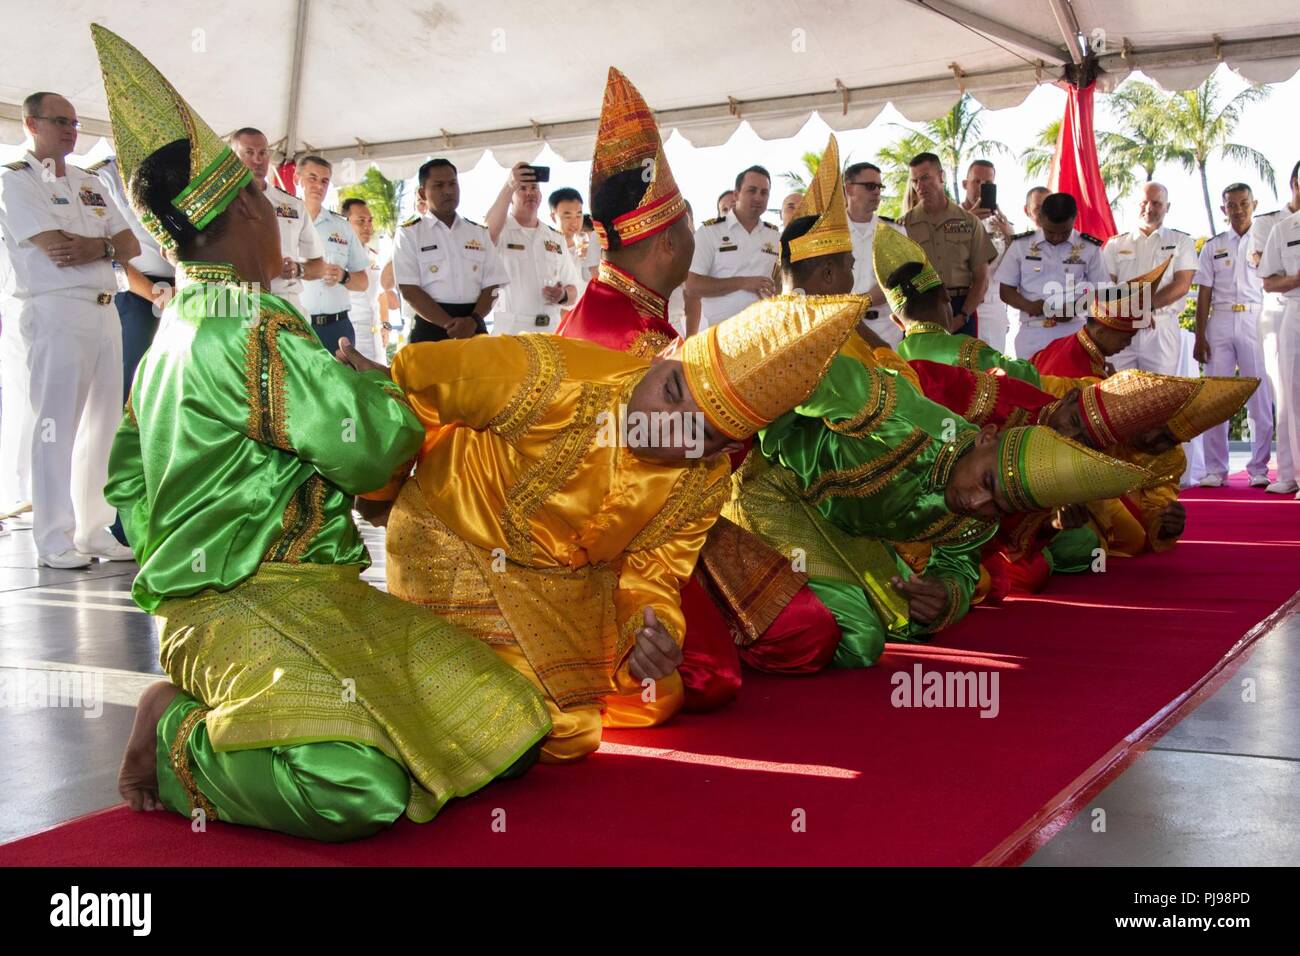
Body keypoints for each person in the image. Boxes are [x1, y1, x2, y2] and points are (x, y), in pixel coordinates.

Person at [89, 25, 549, 841]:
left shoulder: (176, 328)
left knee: (508, 720)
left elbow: (126, 485)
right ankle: (172, 737)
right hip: (233, 607)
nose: (281, 223)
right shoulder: (249, 318)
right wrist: (389, 397)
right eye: (267, 204)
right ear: (238, 213)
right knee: (354, 790)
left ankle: (242, 710)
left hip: (319, 596)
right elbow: (371, 448)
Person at [0, 90, 140, 568]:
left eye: (75, 123)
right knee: (55, 426)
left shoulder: (88, 180)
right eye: (60, 121)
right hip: (55, 308)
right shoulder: (15, 180)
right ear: (32, 124)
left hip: (105, 307)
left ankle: (92, 529)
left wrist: (97, 248)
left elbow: (127, 243)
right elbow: (52, 244)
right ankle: (54, 536)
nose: (71, 130)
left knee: (104, 423)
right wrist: (101, 247)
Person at [1192, 183, 1272, 488]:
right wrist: (1200, 335)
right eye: (1231, 205)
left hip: (1255, 317)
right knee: (1215, 397)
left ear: (1254, 204)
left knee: (1259, 396)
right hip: (1221, 319)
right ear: (1223, 208)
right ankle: (1215, 469)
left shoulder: (1265, 240)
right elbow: (1204, 294)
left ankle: (1259, 469)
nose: (1237, 210)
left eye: (1243, 203)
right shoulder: (1213, 245)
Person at [89, 156, 174, 402]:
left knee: (170, 378)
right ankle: (123, 439)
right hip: (135, 291)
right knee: (130, 377)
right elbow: (107, 249)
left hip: (177, 289)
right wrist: (154, 294)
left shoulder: (173, 171)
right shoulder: (104, 177)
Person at [392, 159, 505, 344]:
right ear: (422, 192)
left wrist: (473, 321)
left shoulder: (478, 232)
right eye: (439, 185)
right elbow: (409, 290)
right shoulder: (409, 233)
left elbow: (493, 285)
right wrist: (449, 325)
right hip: (431, 326)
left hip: (474, 325)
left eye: (453, 184)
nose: (448, 191)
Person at [997, 192, 1109, 360]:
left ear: (1075, 218)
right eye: (1050, 232)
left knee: (1073, 385)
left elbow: (1102, 292)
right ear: (1040, 217)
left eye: (1064, 232)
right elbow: (1005, 290)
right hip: (1032, 332)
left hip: (1074, 331)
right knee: (1032, 385)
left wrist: (1076, 307)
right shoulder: (1021, 245)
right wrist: (1029, 305)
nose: (1057, 237)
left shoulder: (1089, 247)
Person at [899, 152, 998, 338]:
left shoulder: (969, 222)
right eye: (914, 181)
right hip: (921, 311)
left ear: (942, 176)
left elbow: (981, 278)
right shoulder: (903, 226)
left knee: (966, 368)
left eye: (925, 178)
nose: (919, 186)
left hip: (962, 308)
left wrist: (962, 316)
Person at [1102, 182, 1198, 374]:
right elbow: (1106, 286)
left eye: (1156, 203)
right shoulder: (1115, 244)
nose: (1149, 208)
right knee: (1117, 392)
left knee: (1159, 394)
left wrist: (1145, 308)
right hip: (1121, 328)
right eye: (1144, 202)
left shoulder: (1181, 241)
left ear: (1167, 207)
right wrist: (1130, 312)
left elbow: (1182, 284)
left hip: (1160, 328)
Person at [229, 127, 324, 311]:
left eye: (263, 153)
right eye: (249, 153)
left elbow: (319, 266)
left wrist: (298, 269)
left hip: (285, 302)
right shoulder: (220, 204)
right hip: (238, 302)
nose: (258, 160)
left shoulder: (293, 205)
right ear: (233, 158)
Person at [1248, 159, 1300, 494]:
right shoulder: (1283, 228)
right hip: (1292, 313)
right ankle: (1291, 473)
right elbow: (1268, 280)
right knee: (1291, 396)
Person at [1031, 258, 1169, 380]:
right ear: (1100, 332)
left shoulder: (1062, 344)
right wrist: (1111, 383)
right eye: (1125, 338)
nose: (1127, 344)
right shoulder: (1086, 375)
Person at [485, 162, 580, 334]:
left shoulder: (555, 238)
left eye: (534, 187)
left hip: (551, 330)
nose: (530, 193)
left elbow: (573, 290)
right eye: (522, 188)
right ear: (511, 196)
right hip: (511, 330)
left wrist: (562, 295)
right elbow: (488, 232)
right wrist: (509, 185)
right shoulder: (501, 230)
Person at [686, 165, 779, 329]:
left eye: (764, 193)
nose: (758, 197)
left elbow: (782, 282)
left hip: (764, 332)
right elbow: (693, 286)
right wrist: (743, 283)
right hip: (720, 334)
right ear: (736, 194)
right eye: (752, 190)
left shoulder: (774, 236)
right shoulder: (709, 233)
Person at [294, 156, 369, 354]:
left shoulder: (342, 227)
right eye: (312, 178)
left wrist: (343, 276)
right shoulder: (283, 221)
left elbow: (362, 283)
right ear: (297, 179)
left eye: (324, 181)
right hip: (297, 327)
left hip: (337, 327)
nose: (318, 185)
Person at [843, 160, 906, 346]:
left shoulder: (894, 231)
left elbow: (900, 281)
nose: (877, 192)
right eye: (870, 186)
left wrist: (863, 302)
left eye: (879, 186)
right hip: (843, 330)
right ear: (849, 189)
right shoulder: (831, 232)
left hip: (885, 330)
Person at [960, 160, 1015, 352]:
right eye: (976, 181)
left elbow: (1016, 269)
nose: (981, 187)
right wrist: (966, 221)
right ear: (965, 184)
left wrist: (1011, 237)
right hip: (960, 304)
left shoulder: (1002, 224)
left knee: (992, 373)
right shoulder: (950, 220)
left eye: (988, 184)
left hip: (993, 306)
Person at [342, 197, 388, 364]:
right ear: (346, 223)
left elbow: (382, 294)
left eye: (370, 221)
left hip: (376, 334)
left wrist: (386, 325)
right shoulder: (339, 256)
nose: (368, 226)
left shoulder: (374, 256)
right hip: (352, 333)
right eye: (361, 221)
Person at [548, 186, 600, 308]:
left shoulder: (587, 248)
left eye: (578, 215)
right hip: (559, 320)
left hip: (587, 317)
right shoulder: (547, 250)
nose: (574, 222)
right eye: (567, 216)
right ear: (553, 217)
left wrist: (592, 261)